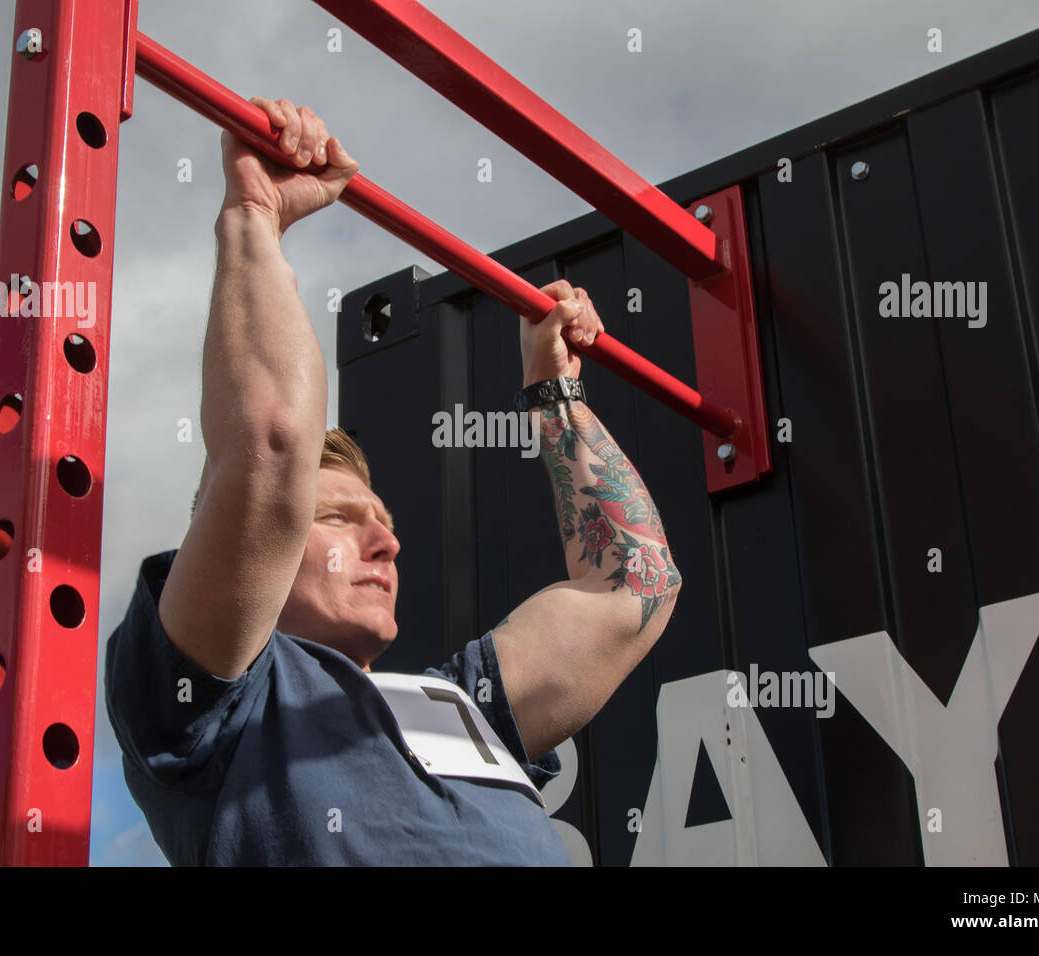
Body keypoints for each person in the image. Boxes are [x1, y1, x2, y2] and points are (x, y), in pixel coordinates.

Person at [105, 97, 682, 865]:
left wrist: (554, 392)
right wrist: (254, 214)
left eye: (378, 518)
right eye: (340, 517)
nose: (387, 541)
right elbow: (270, 447)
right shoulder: (216, 710)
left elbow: (637, 588)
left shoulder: (463, 706)